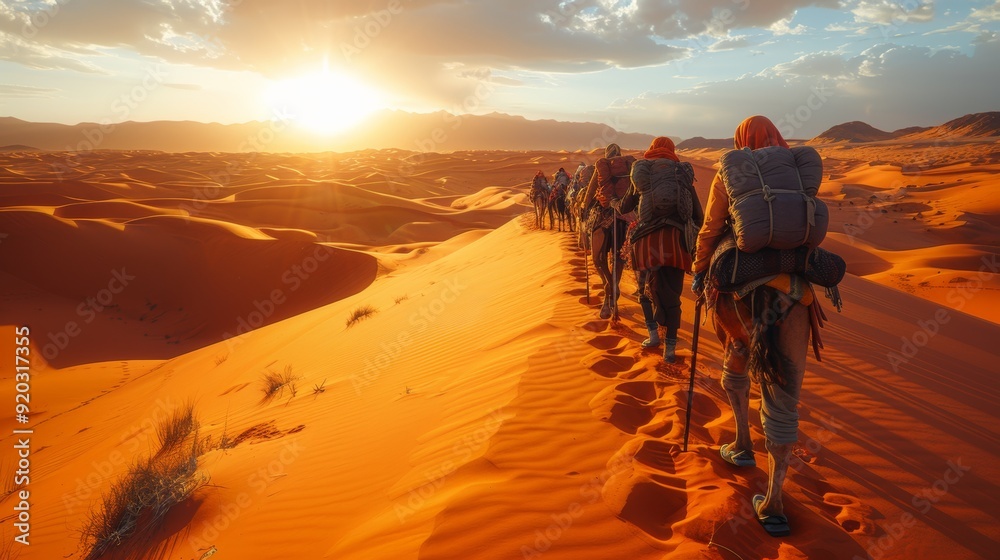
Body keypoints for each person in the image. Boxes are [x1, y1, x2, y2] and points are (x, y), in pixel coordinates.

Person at [691, 115, 814, 537]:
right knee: (785, 393)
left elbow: (710, 225)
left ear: (741, 140)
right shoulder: (795, 169)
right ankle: (774, 499)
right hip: (794, 285)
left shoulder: (732, 171)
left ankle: (743, 445)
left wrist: (699, 268)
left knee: (737, 349)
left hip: (741, 293)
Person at [619, 136, 703, 362]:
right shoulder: (681, 174)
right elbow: (698, 215)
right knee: (673, 295)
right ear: (672, 150)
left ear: (652, 149)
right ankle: (670, 348)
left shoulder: (642, 174)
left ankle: (653, 335)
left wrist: (616, 202)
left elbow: (625, 206)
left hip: (647, 243)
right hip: (676, 242)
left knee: (644, 289)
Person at [581, 143, 636, 319]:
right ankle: (616, 286)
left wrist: (584, 207)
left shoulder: (602, 165)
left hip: (604, 210)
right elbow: (636, 189)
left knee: (598, 257)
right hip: (623, 211)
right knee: (623, 252)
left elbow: (591, 190)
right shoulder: (628, 166)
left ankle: (608, 287)